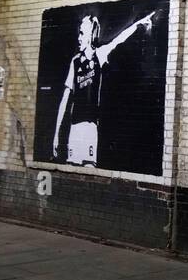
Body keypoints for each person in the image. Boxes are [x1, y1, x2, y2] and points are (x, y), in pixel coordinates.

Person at [52, 10, 155, 166]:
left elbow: (118, 39)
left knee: (88, 171)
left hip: (90, 126)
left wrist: (137, 24)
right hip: (74, 128)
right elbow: (64, 101)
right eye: (79, 34)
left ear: (91, 35)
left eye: (82, 34)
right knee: (72, 169)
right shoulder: (75, 62)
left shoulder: (99, 55)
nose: (79, 38)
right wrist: (56, 135)